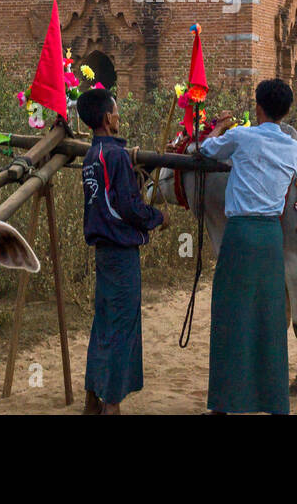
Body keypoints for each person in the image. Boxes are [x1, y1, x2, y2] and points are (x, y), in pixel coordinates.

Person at [197, 78, 297, 414]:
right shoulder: (294, 148)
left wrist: (220, 127)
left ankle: (225, 403)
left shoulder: (242, 137)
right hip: (272, 237)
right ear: (286, 112)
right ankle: (274, 402)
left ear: (257, 107)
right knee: (270, 318)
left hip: (240, 233)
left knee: (231, 313)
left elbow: (204, 150)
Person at [77, 87, 165, 415]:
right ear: (107, 118)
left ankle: (91, 399)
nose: (119, 116)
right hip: (120, 252)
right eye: (115, 110)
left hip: (104, 252)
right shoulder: (113, 155)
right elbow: (128, 207)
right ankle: (110, 405)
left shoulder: (93, 155)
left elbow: (112, 198)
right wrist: (158, 217)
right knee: (121, 326)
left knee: (104, 323)